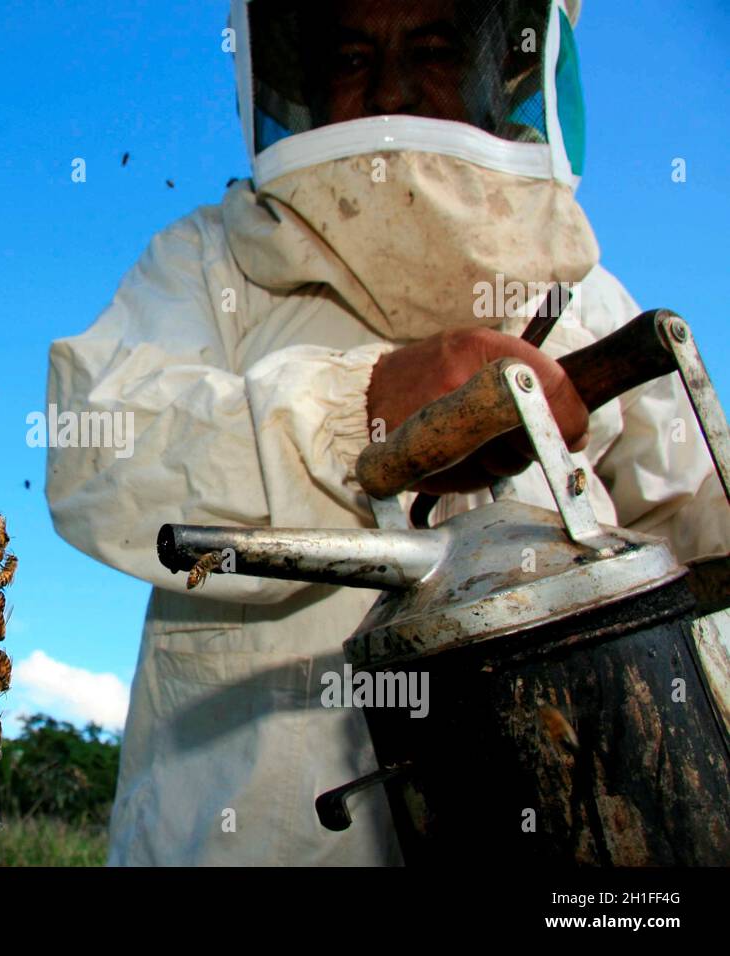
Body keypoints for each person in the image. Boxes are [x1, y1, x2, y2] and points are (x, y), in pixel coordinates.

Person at [45, 0, 730, 866]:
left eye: (437, 49)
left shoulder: (588, 301)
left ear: (505, 73)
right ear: (298, 85)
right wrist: (362, 409)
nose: (395, 85)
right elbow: (92, 450)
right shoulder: (208, 262)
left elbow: (685, 536)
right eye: (352, 56)